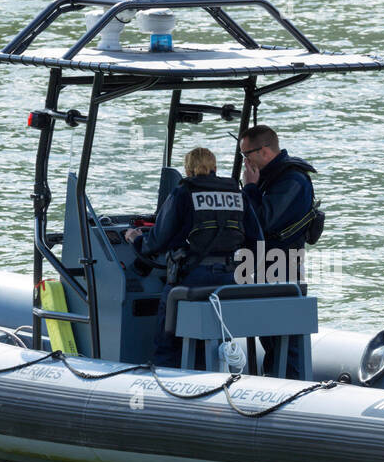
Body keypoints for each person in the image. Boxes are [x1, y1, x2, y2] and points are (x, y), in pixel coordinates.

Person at [125, 147, 262, 368]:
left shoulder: (183, 192)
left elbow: (158, 240)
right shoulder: (238, 194)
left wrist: (136, 240)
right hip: (229, 281)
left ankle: (165, 379)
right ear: (215, 168)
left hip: (191, 280)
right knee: (214, 338)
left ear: (188, 170)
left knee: (167, 340)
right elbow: (257, 241)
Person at [239, 125, 317, 379]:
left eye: (246, 155)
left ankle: (291, 389)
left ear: (263, 151)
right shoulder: (271, 177)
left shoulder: (292, 179)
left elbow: (263, 222)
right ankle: (274, 381)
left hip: (283, 265)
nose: (245, 162)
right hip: (265, 264)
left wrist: (250, 188)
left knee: (285, 338)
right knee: (269, 336)